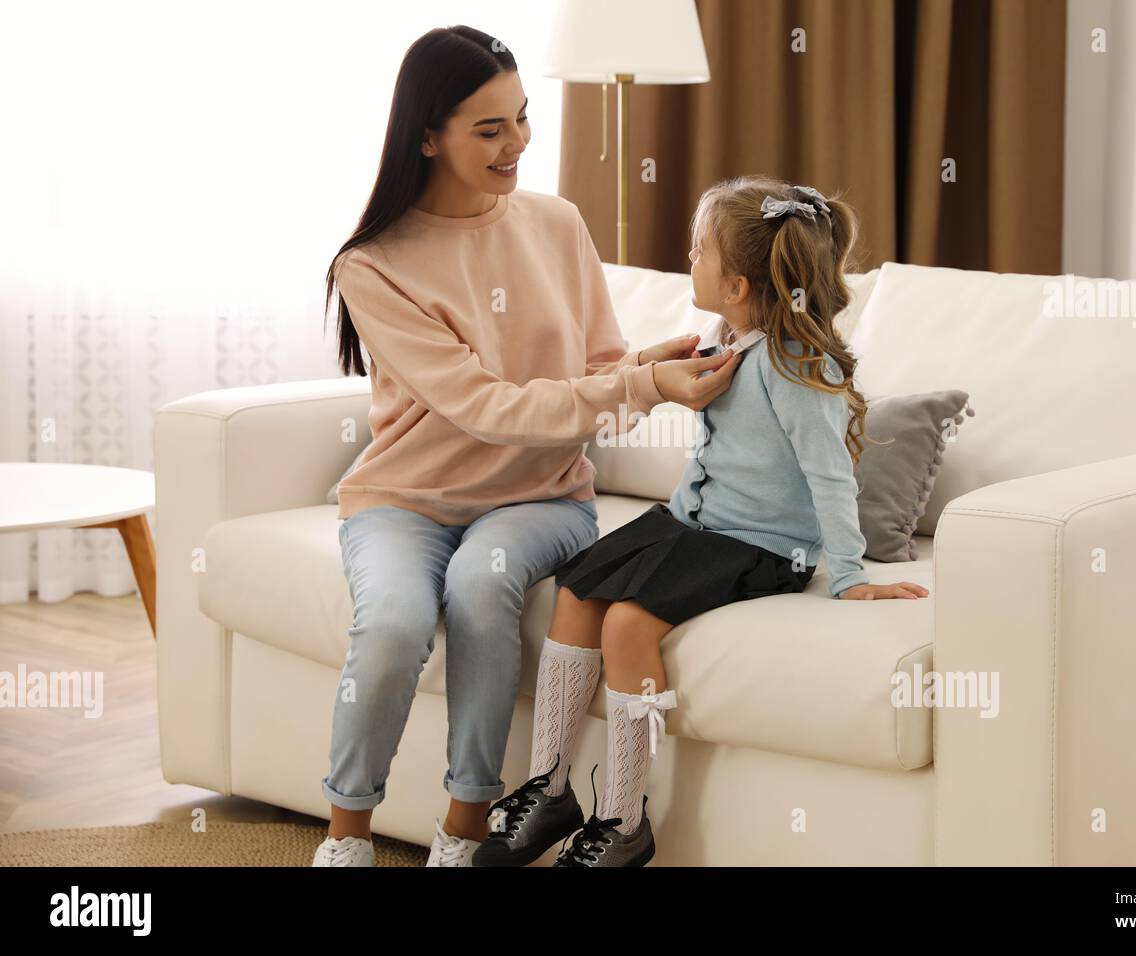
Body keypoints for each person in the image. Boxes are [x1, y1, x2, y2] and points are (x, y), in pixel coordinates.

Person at [311, 26, 740, 867]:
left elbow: (600, 375)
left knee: (482, 585)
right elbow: (483, 406)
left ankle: (462, 834)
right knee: (394, 622)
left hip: (541, 498)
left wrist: (647, 369)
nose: (518, 144)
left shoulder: (556, 222)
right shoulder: (373, 265)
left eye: (522, 117)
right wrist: (640, 387)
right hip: (405, 500)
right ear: (426, 135)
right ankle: (345, 840)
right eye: (489, 129)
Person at [475, 176, 929, 868]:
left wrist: (849, 576)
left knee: (627, 623)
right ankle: (551, 788)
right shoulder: (729, 336)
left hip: (760, 547)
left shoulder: (794, 364)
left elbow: (831, 476)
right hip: (691, 521)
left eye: (698, 251)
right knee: (576, 591)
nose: (687, 259)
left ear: (739, 283)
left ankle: (624, 821)